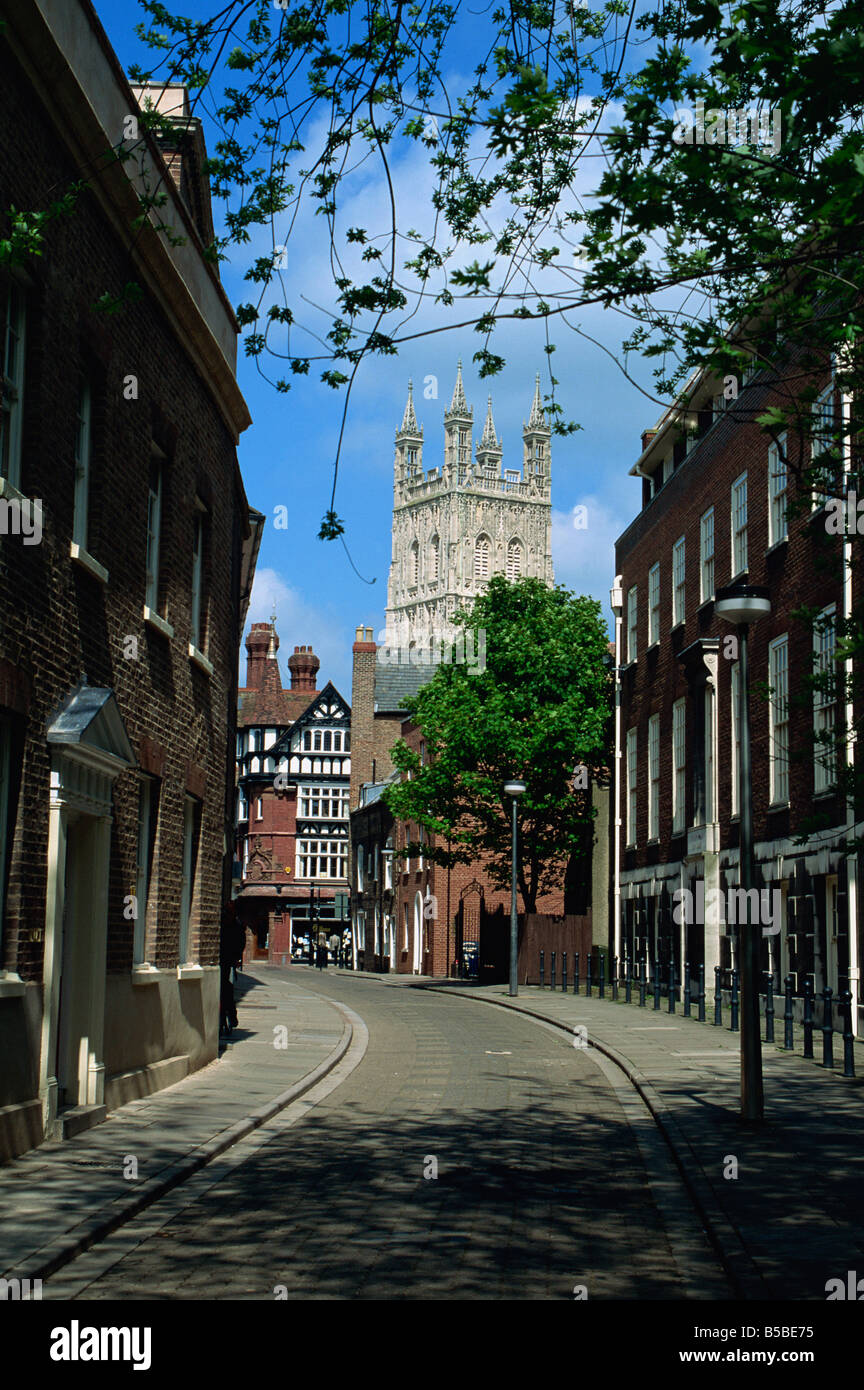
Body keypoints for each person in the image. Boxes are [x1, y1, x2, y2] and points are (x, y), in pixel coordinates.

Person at [219, 900, 246, 1036]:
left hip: (228, 959)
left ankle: (231, 1014)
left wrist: (236, 958)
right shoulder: (224, 923)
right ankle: (229, 1015)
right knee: (225, 988)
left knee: (226, 988)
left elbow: (240, 943)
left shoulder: (236, 926)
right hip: (221, 958)